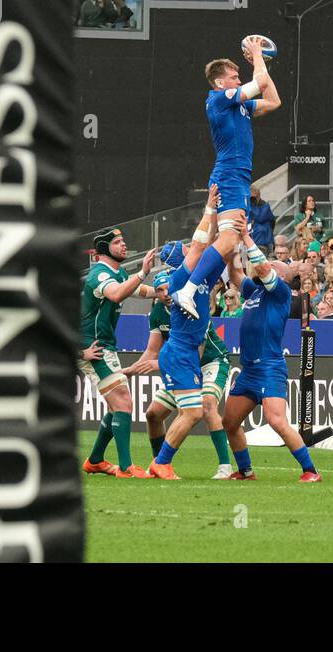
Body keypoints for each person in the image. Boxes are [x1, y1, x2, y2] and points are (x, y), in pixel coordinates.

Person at [173, 37, 281, 319]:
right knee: (231, 236)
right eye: (234, 77)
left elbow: (273, 100)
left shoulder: (239, 106)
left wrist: (262, 64)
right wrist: (257, 54)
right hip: (231, 175)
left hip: (236, 177)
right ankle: (188, 289)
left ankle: (190, 287)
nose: (238, 79)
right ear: (220, 83)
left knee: (224, 241)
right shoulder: (219, 99)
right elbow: (259, 84)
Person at [146, 201, 243, 480]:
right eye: (187, 251)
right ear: (183, 260)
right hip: (182, 353)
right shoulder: (179, 281)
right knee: (192, 413)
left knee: (189, 412)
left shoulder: (197, 278)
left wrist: (233, 237)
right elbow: (202, 245)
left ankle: (161, 463)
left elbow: (216, 252)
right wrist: (210, 210)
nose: (193, 249)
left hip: (185, 353)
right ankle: (161, 463)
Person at [219, 234, 322, 482]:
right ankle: (246, 471)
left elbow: (263, 267)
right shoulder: (254, 291)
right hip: (249, 371)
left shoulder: (281, 292)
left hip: (269, 367)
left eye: (276, 265)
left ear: (282, 276)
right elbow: (235, 275)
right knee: (229, 422)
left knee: (277, 421)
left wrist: (245, 236)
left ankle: (311, 471)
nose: (270, 264)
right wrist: (232, 246)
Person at [79, 227, 159, 479]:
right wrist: (143, 272)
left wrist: (162, 293)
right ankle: (125, 468)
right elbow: (115, 293)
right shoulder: (99, 275)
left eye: (124, 241)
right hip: (93, 349)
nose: (124, 245)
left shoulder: (117, 272)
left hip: (103, 346)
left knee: (117, 405)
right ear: (104, 248)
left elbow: (136, 290)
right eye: (118, 242)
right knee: (123, 400)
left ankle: (95, 461)